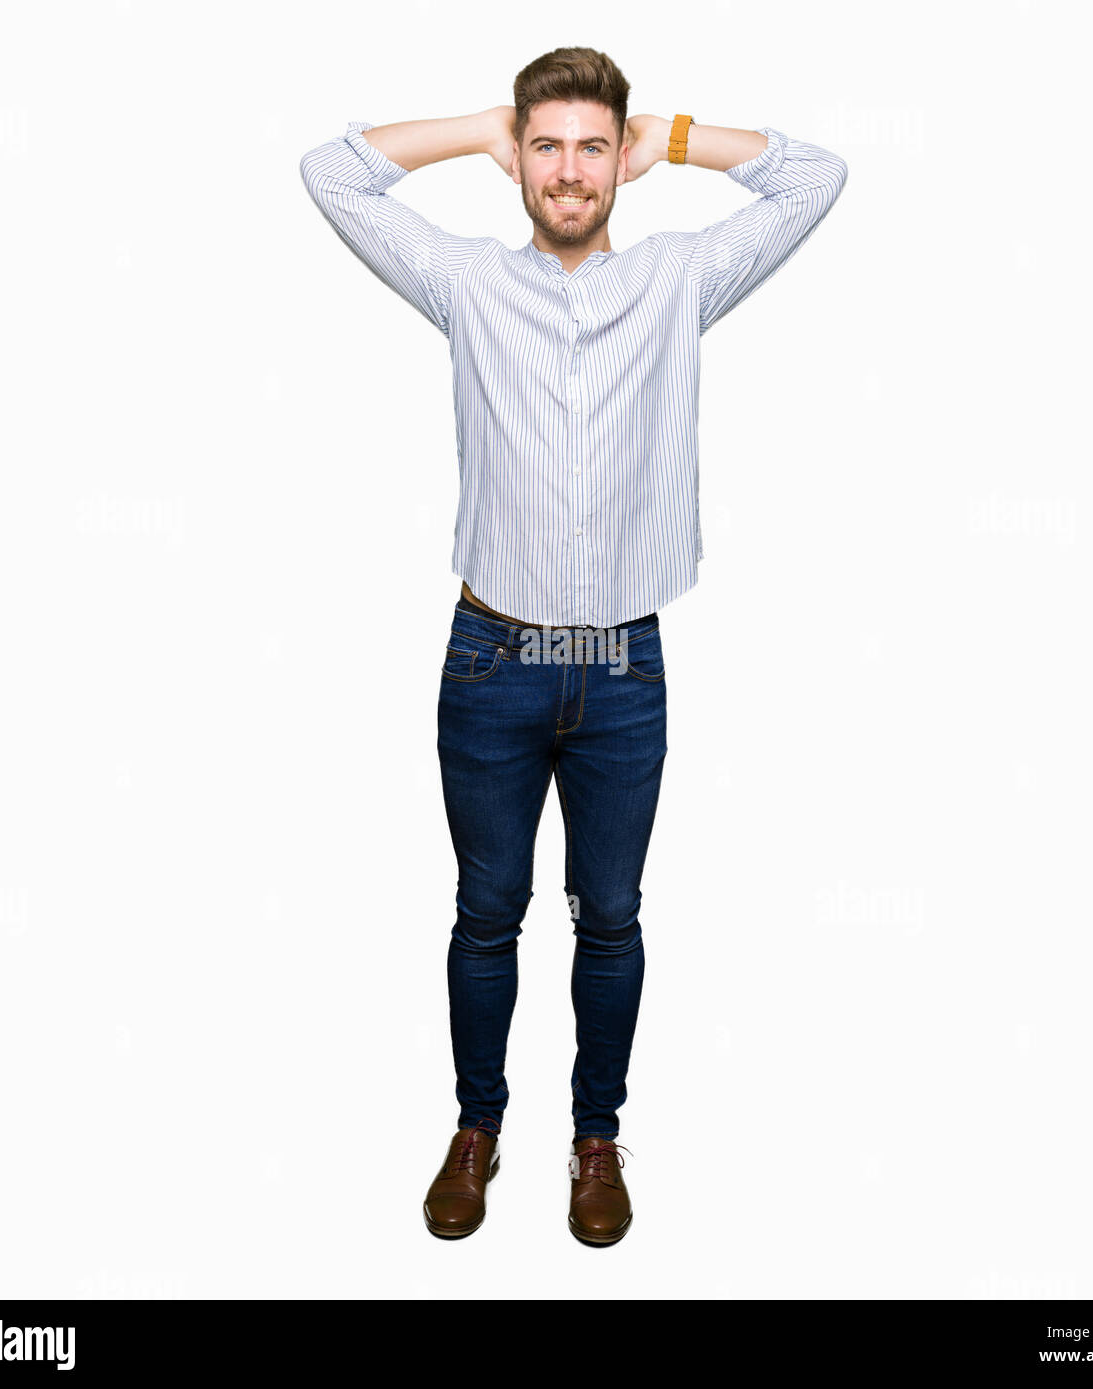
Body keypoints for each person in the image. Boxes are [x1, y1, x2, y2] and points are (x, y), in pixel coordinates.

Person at [299, 46, 847, 1246]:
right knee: (485, 911)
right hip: (490, 662)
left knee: (609, 916)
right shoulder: (464, 281)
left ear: (619, 159)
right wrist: (478, 127)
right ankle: (476, 1130)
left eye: (591, 146)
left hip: (620, 671)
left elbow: (816, 176)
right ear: (519, 159)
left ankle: (595, 1138)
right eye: (545, 145)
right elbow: (330, 175)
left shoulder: (679, 279)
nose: (567, 170)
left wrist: (675, 138)